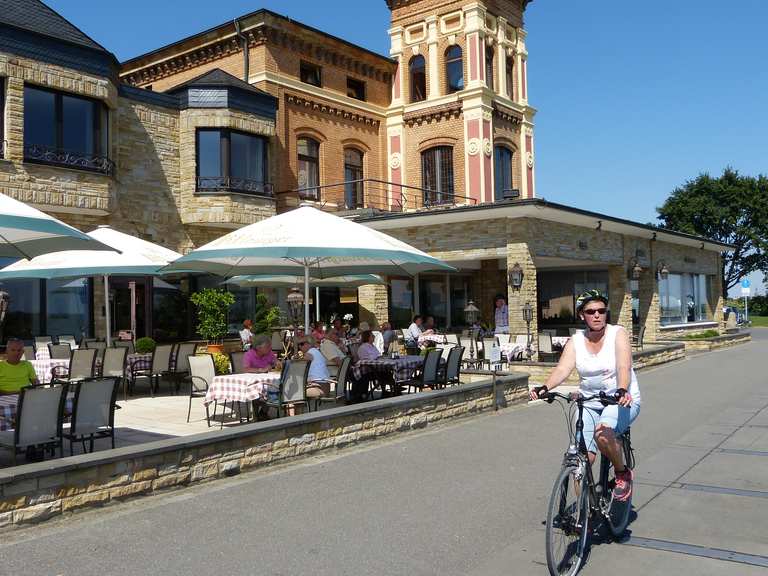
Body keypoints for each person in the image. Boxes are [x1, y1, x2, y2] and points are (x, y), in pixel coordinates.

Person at [530, 289, 641, 501]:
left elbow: (623, 366)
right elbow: (562, 369)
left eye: (601, 310)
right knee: (581, 460)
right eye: (591, 312)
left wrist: (623, 389)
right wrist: (545, 387)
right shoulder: (576, 341)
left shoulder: (618, 333)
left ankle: (621, 473)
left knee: (603, 435)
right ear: (582, 315)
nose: (597, 315)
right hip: (589, 402)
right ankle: (586, 512)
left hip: (619, 400)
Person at [298, 336, 331, 400]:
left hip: (319, 388)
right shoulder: (317, 352)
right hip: (325, 387)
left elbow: (300, 370)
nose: (299, 347)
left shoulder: (309, 354)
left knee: (295, 393)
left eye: (301, 344)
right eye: (298, 344)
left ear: (309, 344)